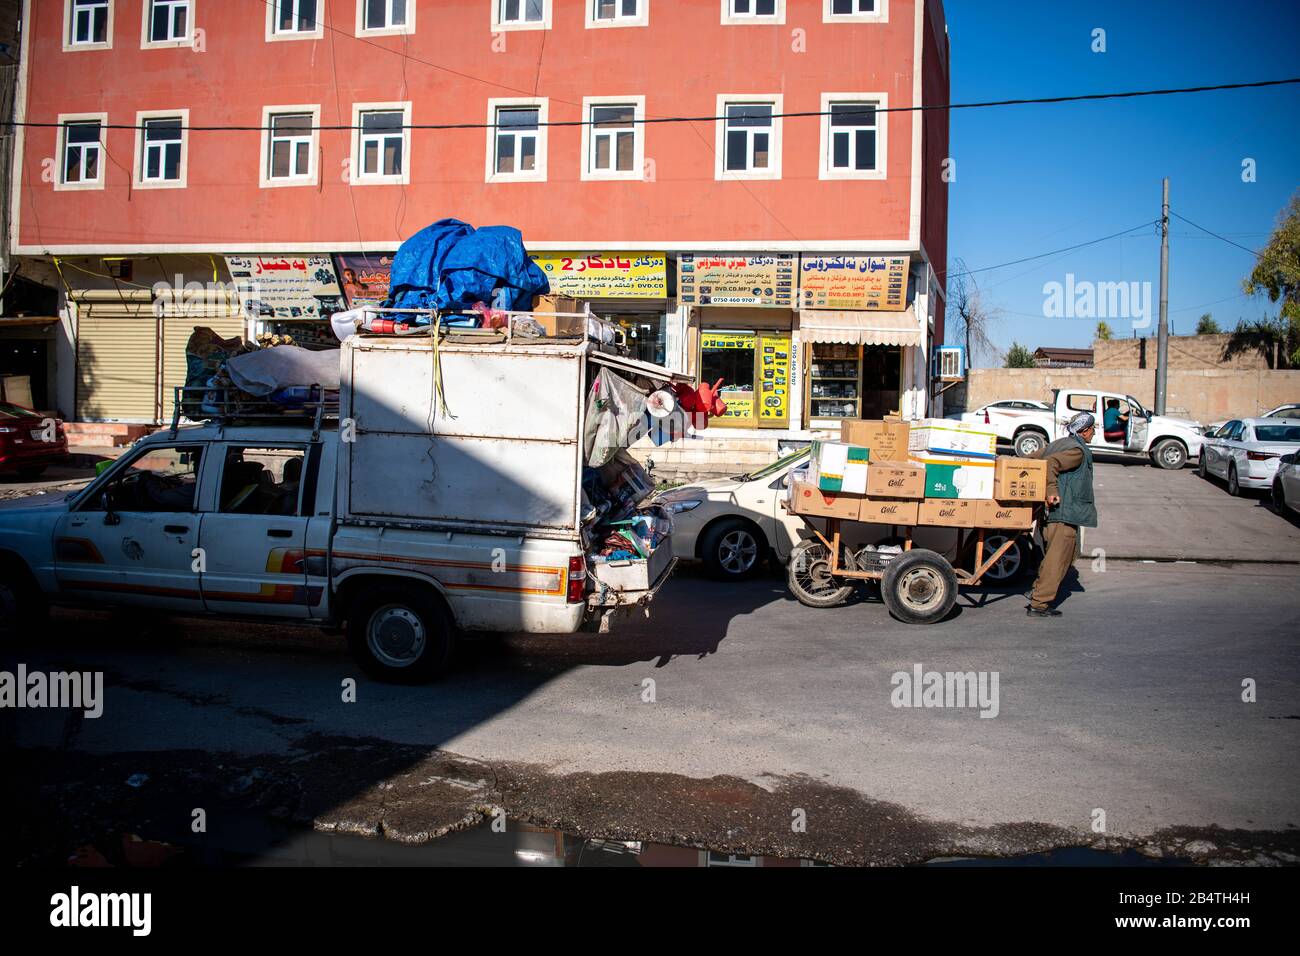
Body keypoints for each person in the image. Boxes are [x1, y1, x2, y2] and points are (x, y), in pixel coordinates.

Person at [1027, 412, 1098, 618]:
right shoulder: (1077, 451)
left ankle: (1038, 591)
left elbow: (1033, 458)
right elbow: (1050, 464)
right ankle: (1039, 604)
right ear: (1084, 431)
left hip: (1055, 514)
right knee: (1058, 560)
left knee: (1061, 556)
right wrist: (1051, 491)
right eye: (1092, 429)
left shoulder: (1059, 443)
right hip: (1064, 513)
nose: (1093, 433)